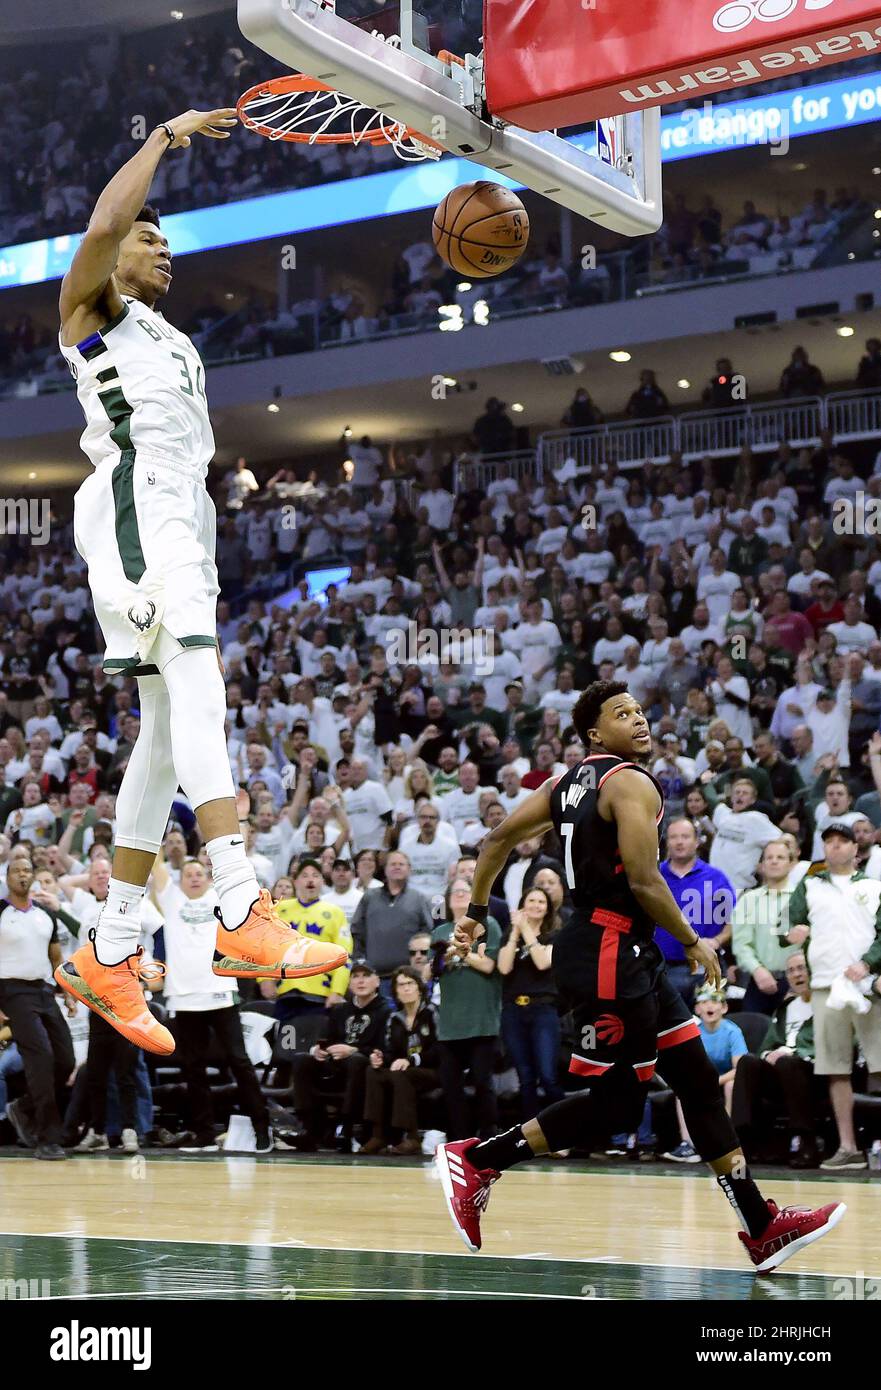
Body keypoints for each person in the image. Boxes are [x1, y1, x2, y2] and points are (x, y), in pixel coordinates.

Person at [55, 108, 346, 1052]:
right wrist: (164, 141)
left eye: (169, 240)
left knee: (165, 738)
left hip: (186, 510)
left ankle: (109, 944)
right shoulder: (91, 311)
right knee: (198, 688)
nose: (161, 248)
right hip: (140, 504)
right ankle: (236, 899)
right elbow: (101, 225)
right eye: (152, 237)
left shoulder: (176, 341)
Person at [435, 680, 845, 1273]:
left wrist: (475, 914)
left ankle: (761, 1227)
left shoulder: (561, 784)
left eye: (639, 710)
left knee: (698, 1082)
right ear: (596, 734)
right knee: (619, 1106)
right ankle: (481, 1159)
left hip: (623, 951)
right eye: (622, 714)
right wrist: (692, 940)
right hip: (606, 949)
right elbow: (649, 881)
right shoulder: (629, 780)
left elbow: (496, 840)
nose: (639, 719)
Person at [149, 851, 272, 1153]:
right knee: (193, 1068)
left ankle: (262, 1128)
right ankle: (204, 1134)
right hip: (185, 997)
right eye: (188, 874)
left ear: (208, 879)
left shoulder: (220, 898)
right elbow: (157, 863)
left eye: (199, 874)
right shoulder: (172, 900)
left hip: (220, 992)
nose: (193, 877)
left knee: (239, 1061)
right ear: (180, 881)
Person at [782, 824, 881, 1171]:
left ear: (856, 848)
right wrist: (792, 932)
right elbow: (788, 927)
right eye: (829, 843)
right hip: (825, 984)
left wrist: (869, 962)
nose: (835, 848)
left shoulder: (873, 886)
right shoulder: (808, 885)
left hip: (867, 984)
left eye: (842, 842)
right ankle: (848, 1147)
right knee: (835, 1068)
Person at [0, 857, 75, 1159]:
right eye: (17, 870)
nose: (23, 875)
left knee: (66, 1059)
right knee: (40, 1058)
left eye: (27, 870)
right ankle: (47, 1138)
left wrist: (68, 994)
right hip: (11, 991)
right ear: (7, 877)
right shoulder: (1, 911)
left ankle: (25, 1106)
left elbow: (56, 959)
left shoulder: (46, 915)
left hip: (44, 990)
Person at [289, 958, 389, 1152]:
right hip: (335, 1063)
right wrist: (319, 1051)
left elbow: (385, 1047)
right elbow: (327, 1039)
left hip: (366, 1067)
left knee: (356, 1061)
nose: (360, 981)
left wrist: (354, 1050)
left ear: (377, 981)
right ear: (349, 983)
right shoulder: (340, 1010)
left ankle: (346, 1127)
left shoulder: (386, 1010)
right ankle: (309, 1126)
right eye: (355, 976)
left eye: (366, 976)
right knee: (302, 1059)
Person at [732, 952, 820, 1168]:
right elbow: (767, 1046)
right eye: (790, 971)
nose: (796, 974)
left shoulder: (825, 1004)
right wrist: (767, 1055)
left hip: (813, 1072)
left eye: (801, 968)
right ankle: (745, 1141)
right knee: (748, 1062)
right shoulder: (786, 1007)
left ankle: (806, 1143)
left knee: (787, 1062)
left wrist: (792, 1053)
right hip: (781, 1071)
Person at [431, 878, 503, 1141]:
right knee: (451, 1086)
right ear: (449, 901)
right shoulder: (440, 932)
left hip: (482, 1020)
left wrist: (460, 952)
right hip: (450, 1024)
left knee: (483, 1083)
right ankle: (459, 1137)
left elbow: (488, 966)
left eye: (465, 891)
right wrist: (451, 953)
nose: (460, 895)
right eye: (455, 892)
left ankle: (489, 1134)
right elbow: (431, 970)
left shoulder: (488, 925)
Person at [497, 887, 564, 1121]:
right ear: (523, 904)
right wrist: (515, 932)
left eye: (541, 902)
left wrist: (525, 929)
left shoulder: (555, 935)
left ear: (548, 908)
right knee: (525, 1076)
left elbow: (542, 962)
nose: (536, 905)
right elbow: (504, 968)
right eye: (531, 900)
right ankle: (529, 1137)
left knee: (547, 1075)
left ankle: (564, 1130)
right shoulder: (510, 933)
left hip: (543, 1010)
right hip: (514, 1010)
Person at [663, 984, 747, 1162]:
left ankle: (726, 1144)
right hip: (703, 1081)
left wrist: (715, 1081)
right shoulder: (693, 1033)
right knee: (682, 1091)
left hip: (724, 1081)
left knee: (732, 1086)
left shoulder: (733, 1032)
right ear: (696, 1009)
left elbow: (740, 1068)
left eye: (714, 1001)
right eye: (704, 1002)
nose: (709, 1006)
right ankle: (688, 1144)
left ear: (724, 1007)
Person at [262, 859, 352, 1027]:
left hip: (320, 994)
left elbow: (344, 956)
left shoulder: (335, 913)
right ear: (295, 881)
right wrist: (264, 979)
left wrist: (337, 990)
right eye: (304, 876)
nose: (310, 880)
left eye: (315, 875)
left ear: (323, 882)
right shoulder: (279, 909)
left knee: (315, 1048)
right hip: (285, 992)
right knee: (286, 1047)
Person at [361, 965, 440, 1155]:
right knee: (374, 1072)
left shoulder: (432, 1012)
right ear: (395, 991)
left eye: (410, 983)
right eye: (401, 985)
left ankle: (411, 1137)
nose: (406, 988)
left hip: (434, 1070)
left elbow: (440, 1049)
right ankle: (378, 1135)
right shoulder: (394, 1018)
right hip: (405, 1070)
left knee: (401, 1074)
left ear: (419, 987)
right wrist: (380, 1058)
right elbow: (392, 1052)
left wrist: (412, 1060)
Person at [658, 818, 735, 1008]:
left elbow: (735, 919)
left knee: (707, 1026)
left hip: (705, 967)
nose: (679, 842)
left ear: (697, 841)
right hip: (661, 968)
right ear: (667, 842)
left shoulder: (716, 877)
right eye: (673, 837)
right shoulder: (654, 877)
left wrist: (717, 941)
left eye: (685, 836)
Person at [731, 840, 796, 1015]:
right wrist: (758, 971)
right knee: (753, 1035)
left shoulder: (802, 897)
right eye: (769, 858)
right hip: (758, 981)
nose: (774, 861)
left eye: (780, 857)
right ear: (762, 865)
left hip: (795, 982)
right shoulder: (748, 900)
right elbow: (741, 943)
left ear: (791, 864)